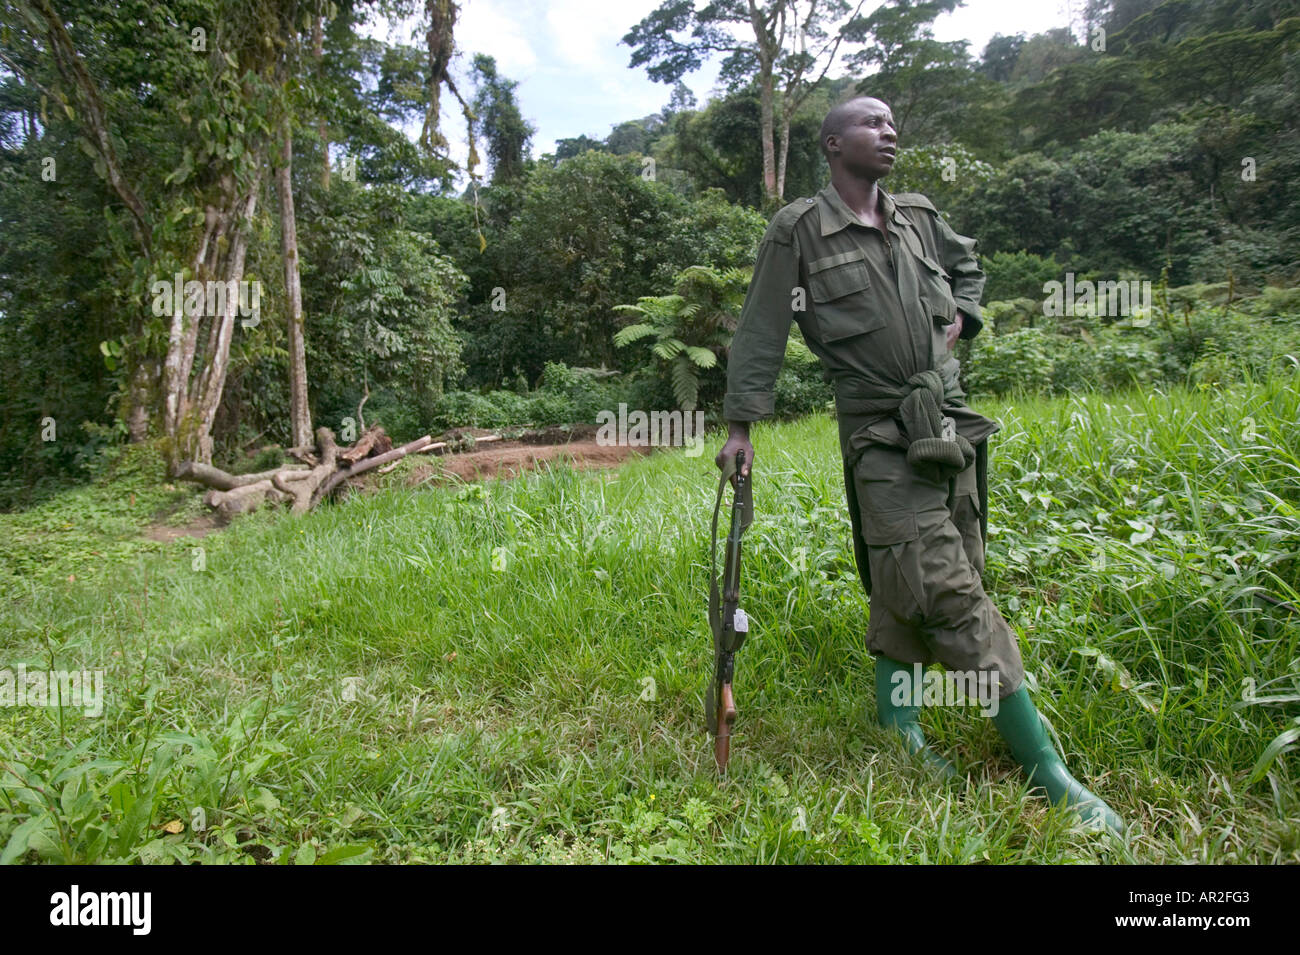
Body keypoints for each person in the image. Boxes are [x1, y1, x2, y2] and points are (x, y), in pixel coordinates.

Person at [714, 96, 1124, 836]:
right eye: (872, 122)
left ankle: (897, 724)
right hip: (877, 433)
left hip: (952, 423)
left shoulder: (920, 218)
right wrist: (741, 427)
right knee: (946, 588)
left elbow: (968, 269)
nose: (890, 131)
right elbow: (762, 330)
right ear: (834, 143)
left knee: (925, 576)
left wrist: (964, 315)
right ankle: (1047, 770)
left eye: (894, 122)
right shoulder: (799, 231)